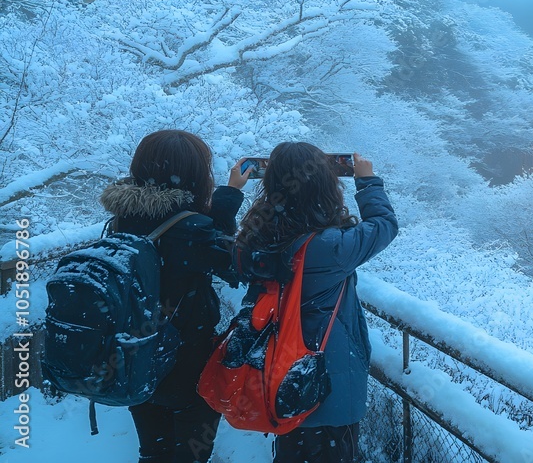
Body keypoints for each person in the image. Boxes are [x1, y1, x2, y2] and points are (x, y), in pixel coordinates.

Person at [234, 143, 398, 463]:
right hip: (327, 373)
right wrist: (368, 181)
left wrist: (232, 191)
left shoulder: (254, 239)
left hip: (276, 370)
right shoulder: (332, 247)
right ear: (326, 186)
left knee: (289, 451)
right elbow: (384, 225)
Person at [99, 129, 250, 463]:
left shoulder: (122, 219)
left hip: (135, 355)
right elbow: (233, 265)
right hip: (185, 361)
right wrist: (227, 199)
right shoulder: (193, 229)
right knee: (189, 455)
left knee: (153, 451)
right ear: (196, 176)